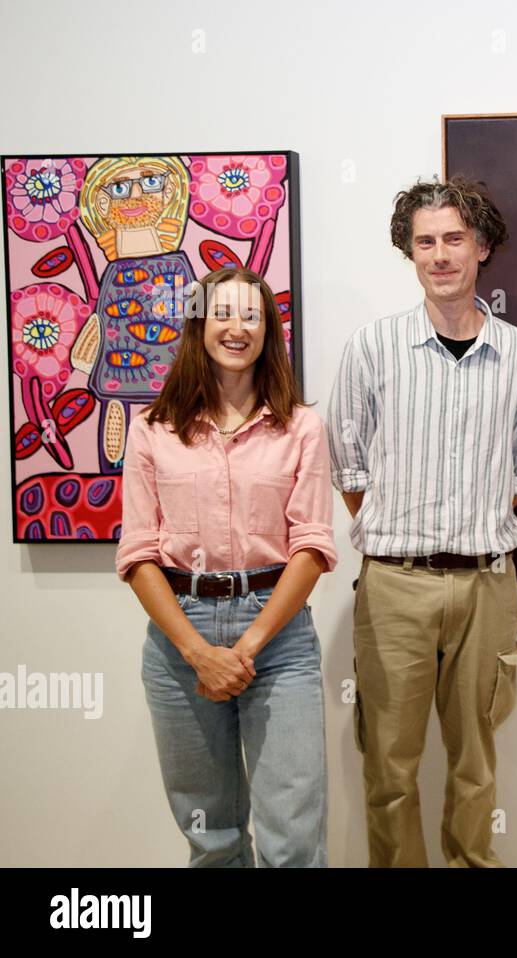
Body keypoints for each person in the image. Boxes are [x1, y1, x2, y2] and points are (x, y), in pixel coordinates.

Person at [326, 175, 517, 868]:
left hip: (487, 586)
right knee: (389, 769)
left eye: (454, 238)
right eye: (425, 242)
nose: (441, 254)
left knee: (476, 765)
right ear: (409, 252)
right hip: (394, 587)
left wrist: (463, 529)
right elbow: (348, 467)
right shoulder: (372, 347)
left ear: (481, 246)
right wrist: (407, 535)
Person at [115, 265, 337, 867]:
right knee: (210, 836)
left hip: (279, 638)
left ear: (268, 330)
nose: (237, 327)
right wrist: (197, 653)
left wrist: (248, 648)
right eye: (223, 313)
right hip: (178, 641)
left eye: (252, 315)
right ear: (199, 325)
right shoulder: (153, 430)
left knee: (291, 838)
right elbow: (138, 556)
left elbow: (312, 546)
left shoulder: (302, 427)